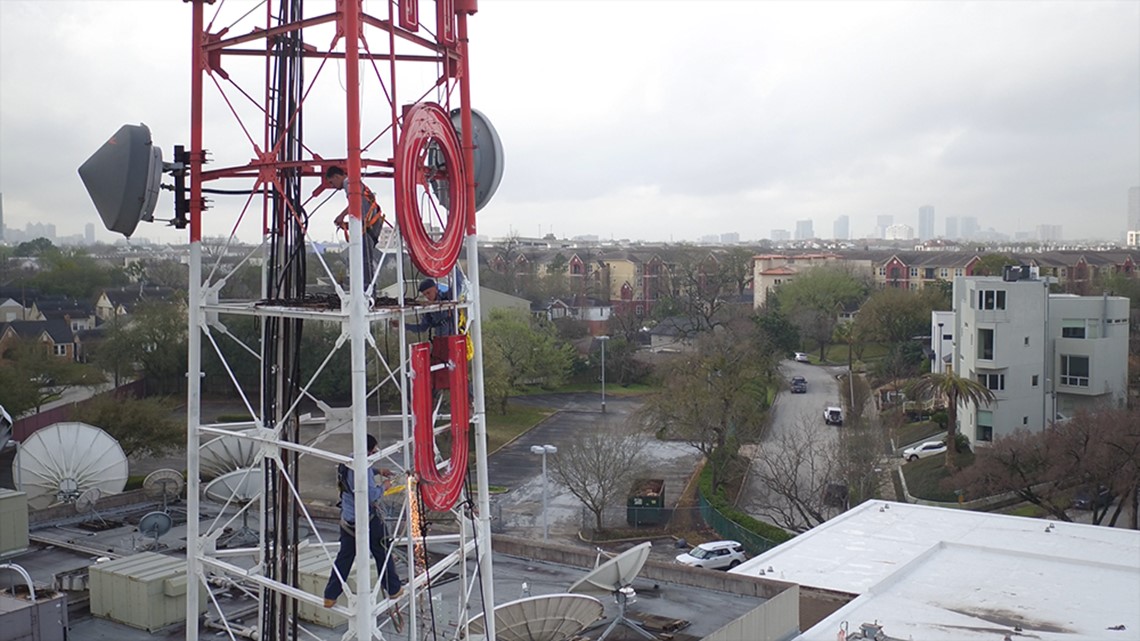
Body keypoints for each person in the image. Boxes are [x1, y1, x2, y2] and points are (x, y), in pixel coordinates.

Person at [323, 434, 403, 607]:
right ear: (370, 450)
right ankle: (394, 588)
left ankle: (330, 595)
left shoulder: (348, 461)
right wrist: (385, 486)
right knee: (382, 550)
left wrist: (377, 471)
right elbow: (371, 495)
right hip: (366, 519)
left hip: (348, 519)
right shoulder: (362, 467)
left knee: (344, 558)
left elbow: (355, 476)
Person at [326, 166, 385, 287]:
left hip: (367, 228)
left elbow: (355, 202)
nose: (332, 186)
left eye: (332, 182)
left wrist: (341, 216)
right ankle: (366, 291)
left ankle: (367, 293)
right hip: (371, 226)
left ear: (337, 176)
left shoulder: (349, 183)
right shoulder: (355, 184)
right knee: (364, 262)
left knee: (364, 262)